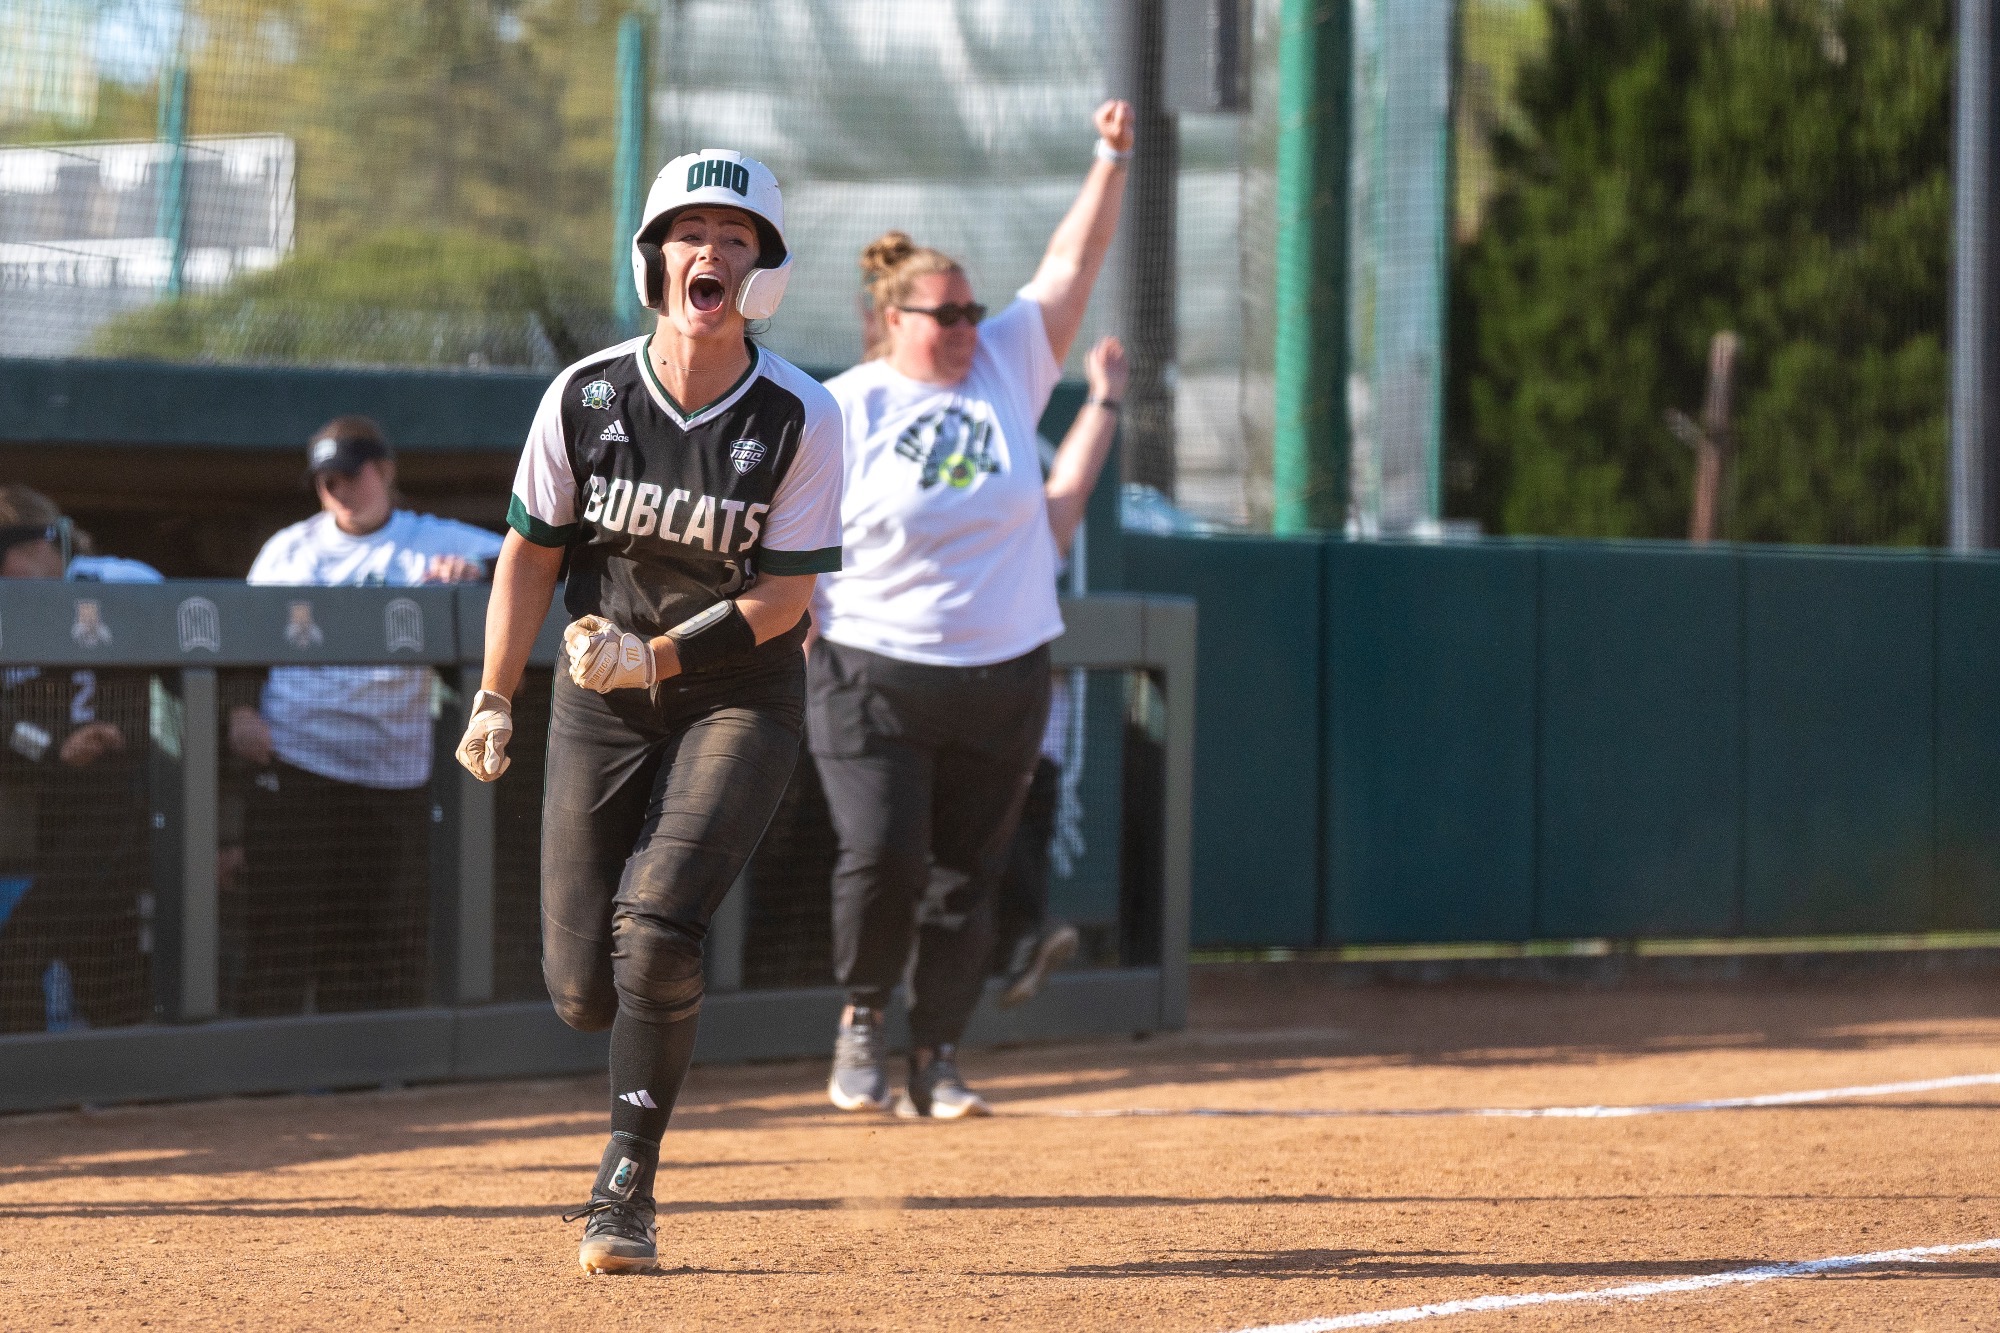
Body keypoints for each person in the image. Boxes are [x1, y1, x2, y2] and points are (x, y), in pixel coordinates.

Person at [454, 148, 843, 1275]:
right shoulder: (586, 395)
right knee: (583, 989)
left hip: (737, 698)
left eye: (734, 238)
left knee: (657, 923)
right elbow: (528, 558)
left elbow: (783, 597)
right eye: (688, 233)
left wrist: (659, 653)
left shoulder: (799, 414)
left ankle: (623, 1186)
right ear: (652, 258)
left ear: (762, 271)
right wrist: (493, 696)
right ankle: (625, 1055)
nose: (708, 253)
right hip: (597, 703)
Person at [812, 99, 1133, 1119]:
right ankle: (863, 1015)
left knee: (966, 875)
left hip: (1002, 670)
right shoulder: (842, 405)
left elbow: (1070, 266)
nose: (963, 329)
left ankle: (936, 1056)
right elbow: (784, 530)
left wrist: (1108, 158)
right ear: (888, 320)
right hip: (872, 667)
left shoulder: (1004, 363)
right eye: (940, 316)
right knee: (884, 855)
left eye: (968, 312)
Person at [226, 418, 500, 1016]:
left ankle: (377, 1090)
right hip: (296, 754)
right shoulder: (289, 549)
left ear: (385, 472)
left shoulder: (432, 539)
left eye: (349, 476)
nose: (338, 491)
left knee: (379, 936)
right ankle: (262, 1091)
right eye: (325, 481)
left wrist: (476, 574)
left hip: (391, 771)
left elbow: (535, 564)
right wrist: (241, 711)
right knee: (282, 930)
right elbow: (240, 644)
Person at [990, 335, 1126, 1007]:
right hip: (936, 732)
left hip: (1024, 746)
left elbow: (1072, 483)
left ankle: (1019, 949)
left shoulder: (1032, 535)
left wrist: (1105, 397)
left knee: (1019, 841)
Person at [0, 486, 160, 1032]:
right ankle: (146, 1096)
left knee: (19, 950)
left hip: (128, 797)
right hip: (59, 802)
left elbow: (203, 674)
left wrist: (129, 731)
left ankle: (22, 1092)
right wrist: (51, 748)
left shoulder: (121, 581)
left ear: (47, 544)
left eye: (4, 558)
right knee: (101, 962)